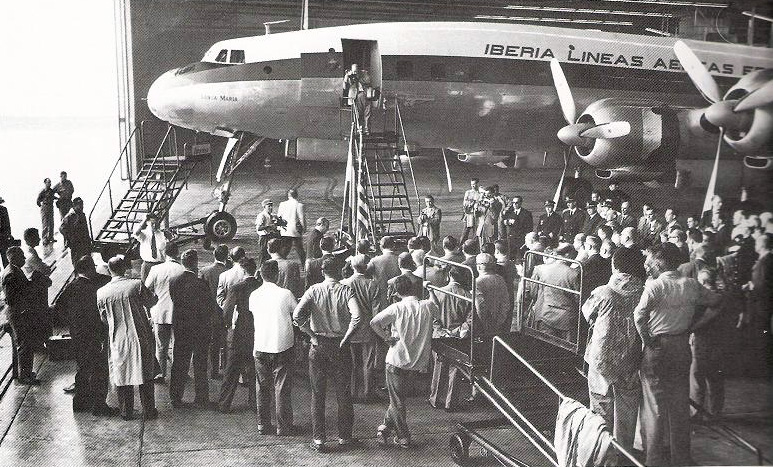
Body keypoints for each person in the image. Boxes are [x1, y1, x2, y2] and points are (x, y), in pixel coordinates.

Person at [634, 243, 722, 466]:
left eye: (651, 260)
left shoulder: (655, 286)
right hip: (681, 346)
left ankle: (654, 460)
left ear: (661, 262)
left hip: (657, 348)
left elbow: (639, 316)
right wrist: (694, 326)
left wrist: (647, 340)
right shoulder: (691, 285)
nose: (647, 264)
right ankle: (681, 458)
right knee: (680, 404)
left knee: (654, 406)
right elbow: (717, 302)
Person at [293, 257, 362, 453]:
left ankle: (319, 440)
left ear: (322, 272)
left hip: (319, 346)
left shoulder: (313, 290)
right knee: (343, 394)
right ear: (340, 271)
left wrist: (311, 335)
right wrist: (347, 337)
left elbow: (297, 316)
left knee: (318, 394)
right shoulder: (346, 290)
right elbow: (357, 317)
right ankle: (344, 437)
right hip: (340, 346)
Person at [581, 248, 645, 456]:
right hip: (631, 357)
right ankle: (624, 453)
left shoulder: (603, 292)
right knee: (627, 406)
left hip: (602, 358)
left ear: (615, 266)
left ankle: (601, 454)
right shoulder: (644, 292)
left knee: (600, 407)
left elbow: (587, 314)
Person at [371, 275, 437, 449]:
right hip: (417, 362)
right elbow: (436, 306)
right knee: (399, 399)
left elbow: (374, 322)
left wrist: (387, 338)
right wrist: (430, 289)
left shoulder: (397, 308)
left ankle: (403, 437)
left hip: (397, 360)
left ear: (397, 292)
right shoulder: (427, 306)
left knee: (397, 401)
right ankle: (385, 428)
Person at [97, 255, 158, 421]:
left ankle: (126, 411)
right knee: (145, 373)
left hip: (118, 337)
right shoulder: (136, 285)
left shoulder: (101, 292)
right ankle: (149, 410)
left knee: (122, 374)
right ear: (124, 268)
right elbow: (151, 302)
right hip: (140, 336)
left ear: (109, 270)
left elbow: (103, 318)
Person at [55, 255, 116, 415]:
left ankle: (80, 404)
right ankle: (99, 406)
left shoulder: (71, 286)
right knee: (99, 370)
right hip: (96, 334)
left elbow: (58, 309)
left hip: (77, 334)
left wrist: (73, 323)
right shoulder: (97, 287)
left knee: (83, 368)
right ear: (90, 269)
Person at [251, 259, 297, 435]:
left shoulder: (254, 295)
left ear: (261, 275)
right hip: (282, 345)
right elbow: (297, 312)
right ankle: (283, 426)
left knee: (262, 387)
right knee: (282, 387)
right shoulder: (285, 294)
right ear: (277, 275)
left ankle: (263, 424)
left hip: (261, 345)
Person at [168, 249, 216, 408]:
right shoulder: (201, 284)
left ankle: (175, 397)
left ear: (183, 263)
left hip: (181, 327)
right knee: (200, 363)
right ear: (195, 263)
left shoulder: (174, 281)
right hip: (199, 328)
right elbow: (209, 306)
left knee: (179, 362)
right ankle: (201, 397)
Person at [218, 257, 261, 413]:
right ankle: (255, 403)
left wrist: (228, 326)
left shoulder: (236, 288)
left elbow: (227, 311)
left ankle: (224, 403)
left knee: (231, 371)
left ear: (243, 271)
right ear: (255, 270)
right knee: (254, 370)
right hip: (257, 332)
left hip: (238, 333)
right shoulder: (260, 286)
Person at [428, 266, 471, 411]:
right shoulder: (467, 296)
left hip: (440, 335)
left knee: (439, 367)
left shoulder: (438, 292)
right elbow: (469, 321)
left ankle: (435, 399)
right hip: (458, 337)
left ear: (449, 276)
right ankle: (450, 403)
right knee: (456, 368)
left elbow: (432, 315)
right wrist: (456, 331)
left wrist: (441, 330)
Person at [341, 254, 382, 402]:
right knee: (368, 363)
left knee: (352, 363)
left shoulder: (344, 284)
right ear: (365, 267)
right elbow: (376, 311)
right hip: (368, 329)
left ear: (352, 266)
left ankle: (352, 392)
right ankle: (367, 393)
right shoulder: (372, 285)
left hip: (350, 329)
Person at [144, 242, 186, 382]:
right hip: (179, 313)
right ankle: (179, 373)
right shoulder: (182, 269)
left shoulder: (156, 269)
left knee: (161, 347)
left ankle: (160, 373)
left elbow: (146, 289)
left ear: (164, 253)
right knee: (178, 346)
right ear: (177, 253)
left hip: (160, 311)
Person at [2, 246, 38, 384]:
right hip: (17, 313)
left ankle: (22, 372)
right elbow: (12, 298)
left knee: (22, 343)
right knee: (24, 343)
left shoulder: (14, 270)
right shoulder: (11, 274)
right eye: (21, 256)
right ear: (14, 258)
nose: (24, 258)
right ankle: (25, 376)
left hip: (17, 312)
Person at [528, 248, 581, 341]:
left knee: (546, 345)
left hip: (547, 314)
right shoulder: (574, 274)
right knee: (564, 349)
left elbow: (534, 291)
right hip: (566, 320)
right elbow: (578, 299)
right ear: (567, 255)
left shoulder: (543, 269)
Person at [199, 244, 230, 379]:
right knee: (226, 341)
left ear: (214, 255)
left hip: (209, 312)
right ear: (226, 256)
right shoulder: (229, 271)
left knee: (213, 343)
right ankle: (227, 367)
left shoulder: (205, 271)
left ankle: (214, 370)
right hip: (225, 311)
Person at [22, 228, 53, 349]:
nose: (39, 239)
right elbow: (44, 269)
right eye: (36, 237)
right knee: (41, 315)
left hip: (37, 288)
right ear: (29, 239)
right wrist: (46, 268)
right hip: (37, 290)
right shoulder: (30, 256)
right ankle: (41, 342)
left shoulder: (31, 252)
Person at [468, 253, 511, 336]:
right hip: (498, 322)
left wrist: (486, 323)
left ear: (479, 266)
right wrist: (500, 320)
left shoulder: (476, 282)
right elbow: (506, 302)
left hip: (482, 325)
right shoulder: (500, 279)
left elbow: (480, 306)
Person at [133, 213, 167, 283]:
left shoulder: (163, 234)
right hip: (147, 265)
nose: (154, 226)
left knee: (160, 285)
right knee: (145, 287)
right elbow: (136, 233)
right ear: (147, 223)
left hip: (160, 264)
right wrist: (144, 219)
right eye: (152, 224)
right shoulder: (144, 234)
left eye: (156, 223)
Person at [277, 188, 306, 265]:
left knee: (284, 249)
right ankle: (304, 266)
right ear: (297, 195)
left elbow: (279, 217)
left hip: (285, 229)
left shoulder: (282, 204)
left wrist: (279, 228)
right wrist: (304, 227)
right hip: (295, 230)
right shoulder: (299, 205)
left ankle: (280, 264)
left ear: (288, 195)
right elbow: (301, 218)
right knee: (299, 249)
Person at [59, 197, 91, 265]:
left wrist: (88, 239)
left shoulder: (82, 214)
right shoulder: (69, 216)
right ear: (74, 206)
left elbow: (85, 228)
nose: (82, 207)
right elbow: (62, 229)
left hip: (84, 241)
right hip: (75, 243)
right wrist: (70, 237)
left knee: (86, 259)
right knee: (77, 261)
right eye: (80, 205)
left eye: (82, 205)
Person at [343, 63, 372, 134]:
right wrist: (347, 76)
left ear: (358, 69)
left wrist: (358, 77)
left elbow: (368, 81)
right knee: (358, 114)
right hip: (355, 96)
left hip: (365, 95)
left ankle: (367, 130)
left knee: (367, 113)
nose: (355, 73)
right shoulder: (349, 76)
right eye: (353, 71)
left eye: (356, 71)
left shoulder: (364, 73)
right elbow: (344, 87)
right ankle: (359, 130)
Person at [256, 199, 278, 265]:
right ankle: (258, 271)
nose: (271, 208)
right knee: (263, 256)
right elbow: (258, 228)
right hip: (264, 238)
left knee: (270, 256)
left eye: (271, 206)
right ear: (264, 207)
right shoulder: (261, 215)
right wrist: (269, 226)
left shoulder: (271, 216)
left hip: (270, 237)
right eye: (269, 206)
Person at [460, 179, 482, 244]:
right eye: (472, 184)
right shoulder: (468, 192)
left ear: (477, 184)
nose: (473, 186)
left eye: (474, 184)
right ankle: (461, 246)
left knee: (476, 232)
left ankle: (474, 247)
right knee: (465, 231)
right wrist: (472, 203)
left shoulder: (480, 193)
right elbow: (465, 203)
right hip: (469, 214)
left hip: (478, 214)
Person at [37, 178, 57, 245]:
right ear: (45, 183)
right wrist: (42, 206)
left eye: (50, 182)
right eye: (48, 182)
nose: (50, 184)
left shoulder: (51, 191)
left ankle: (50, 237)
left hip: (50, 207)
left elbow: (52, 197)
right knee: (45, 224)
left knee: (51, 223)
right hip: (45, 207)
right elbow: (38, 200)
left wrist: (58, 198)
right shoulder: (43, 191)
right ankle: (44, 239)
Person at [0, 196, 12, 267]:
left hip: (3, 238)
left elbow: (8, 224)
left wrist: (9, 235)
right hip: (4, 237)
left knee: (6, 260)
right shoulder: (4, 210)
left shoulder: (4, 210)